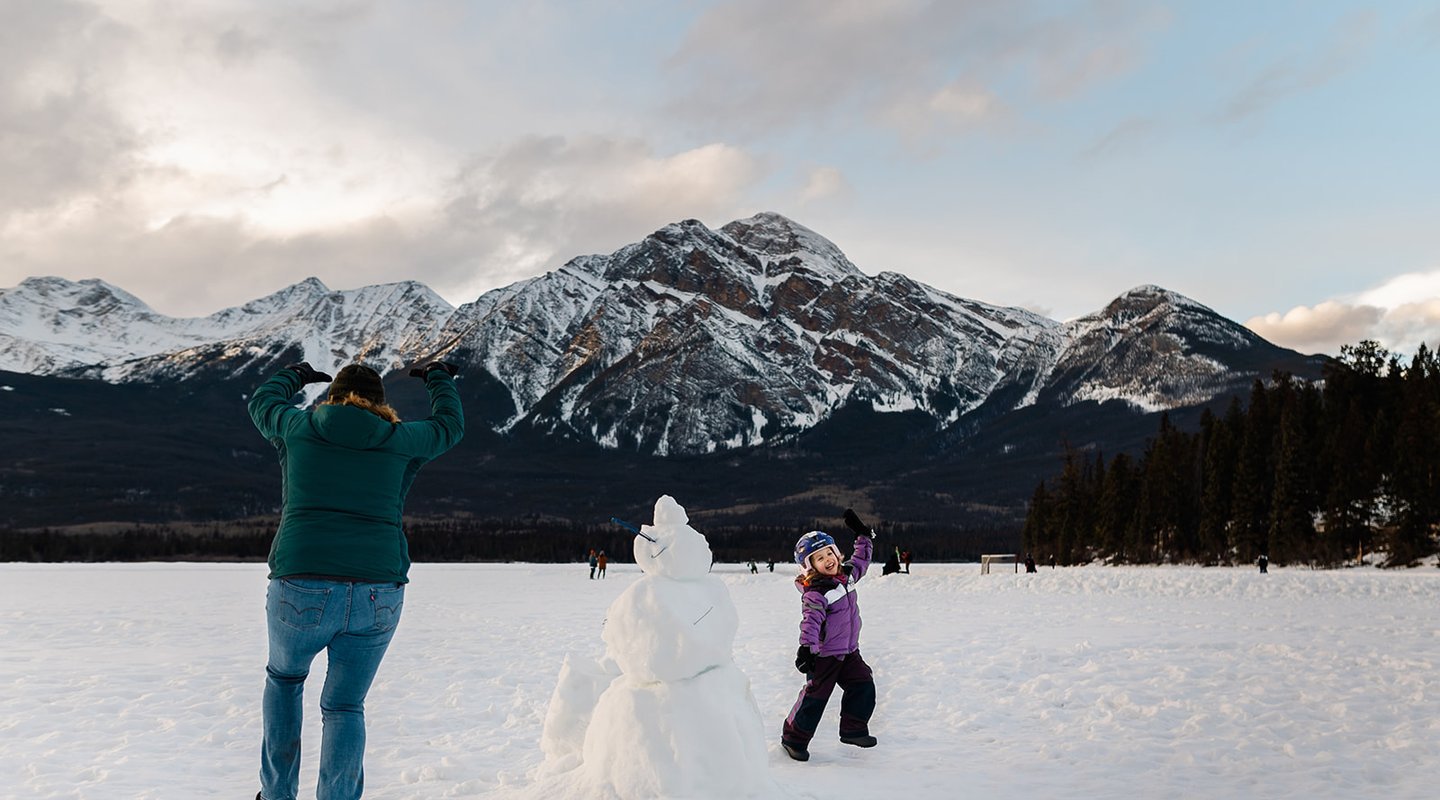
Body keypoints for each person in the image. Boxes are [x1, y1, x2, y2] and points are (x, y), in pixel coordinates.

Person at [248, 359, 464, 800]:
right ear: (382, 405)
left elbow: (261, 403)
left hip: (301, 583)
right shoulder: (400, 439)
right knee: (345, 706)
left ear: (332, 397)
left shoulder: (297, 427)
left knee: (285, 681)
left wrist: (295, 375)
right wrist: (439, 377)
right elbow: (449, 426)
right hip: (378, 591)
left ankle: (276, 795)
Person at [781, 508, 878, 762]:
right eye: (819, 558)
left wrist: (863, 536)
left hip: (849, 652)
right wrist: (807, 649)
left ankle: (853, 729)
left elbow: (861, 561)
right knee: (816, 698)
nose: (828, 560)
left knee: (863, 684)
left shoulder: (846, 577)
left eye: (829, 553)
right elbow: (811, 621)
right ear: (809, 566)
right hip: (824, 655)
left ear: (837, 553)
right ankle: (793, 738)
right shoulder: (816, 591)